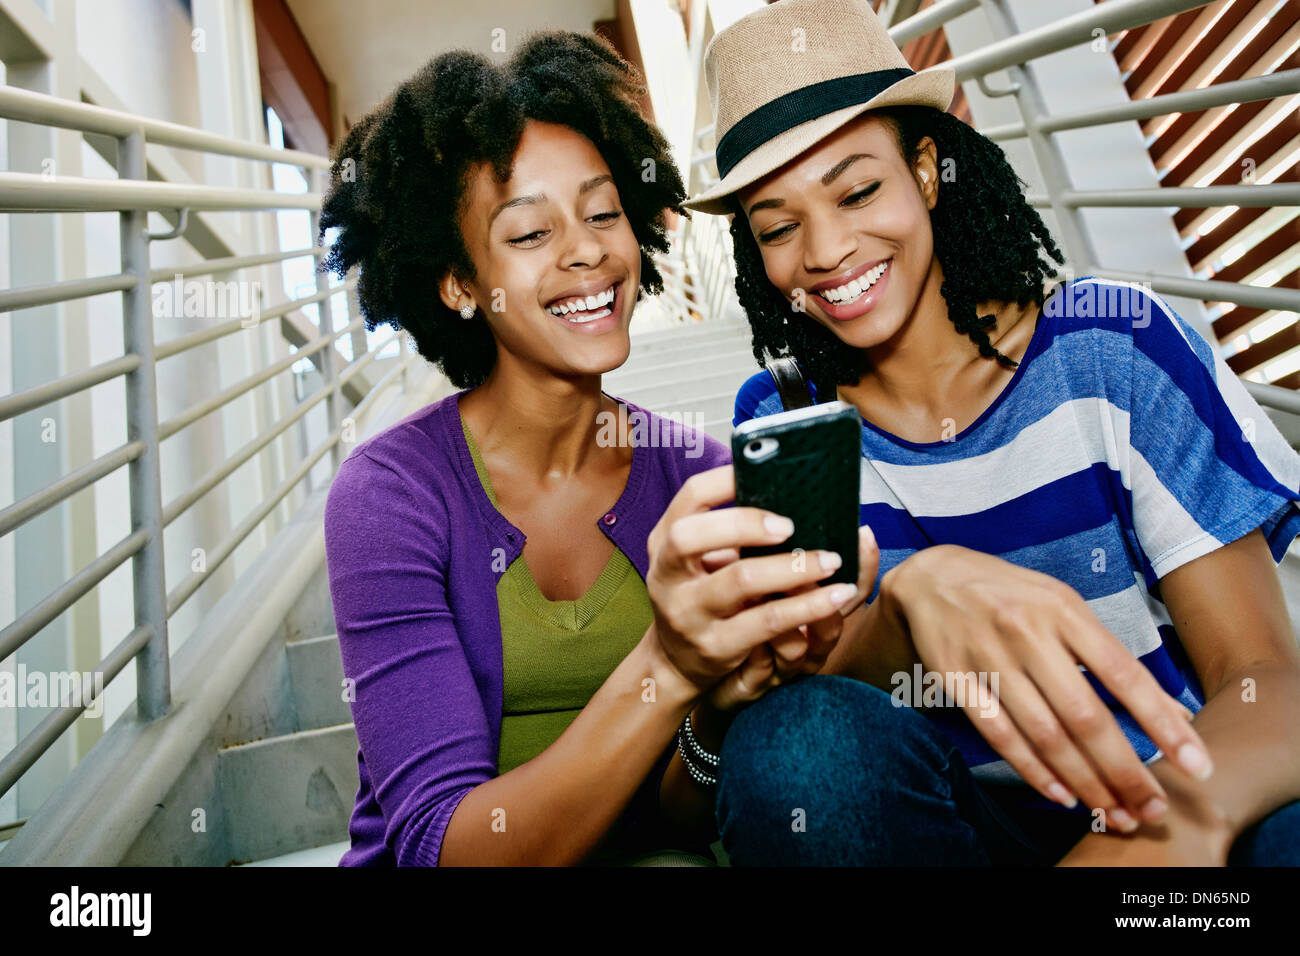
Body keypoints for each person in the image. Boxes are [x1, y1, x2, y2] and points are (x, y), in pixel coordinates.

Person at [681, 0, 1300, 865]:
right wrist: (903, 602)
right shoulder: (785, 421)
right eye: (778, 227)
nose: (825, 251)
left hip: (1159, 819)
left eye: (859, 190)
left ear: (927, 172)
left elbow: (1263, 678)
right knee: (797, 741)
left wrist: (1168, 834)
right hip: (946, 826)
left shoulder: (1113, 348)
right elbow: (815, 713)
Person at [317, 29, 876, 866]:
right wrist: (671, 660)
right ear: (459, 283)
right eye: (529, 234)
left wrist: (727, 702)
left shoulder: (702, 474)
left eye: (603, 212)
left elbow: (688, 814)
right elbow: (443, 848)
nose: (587, 251)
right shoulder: (389, 496)